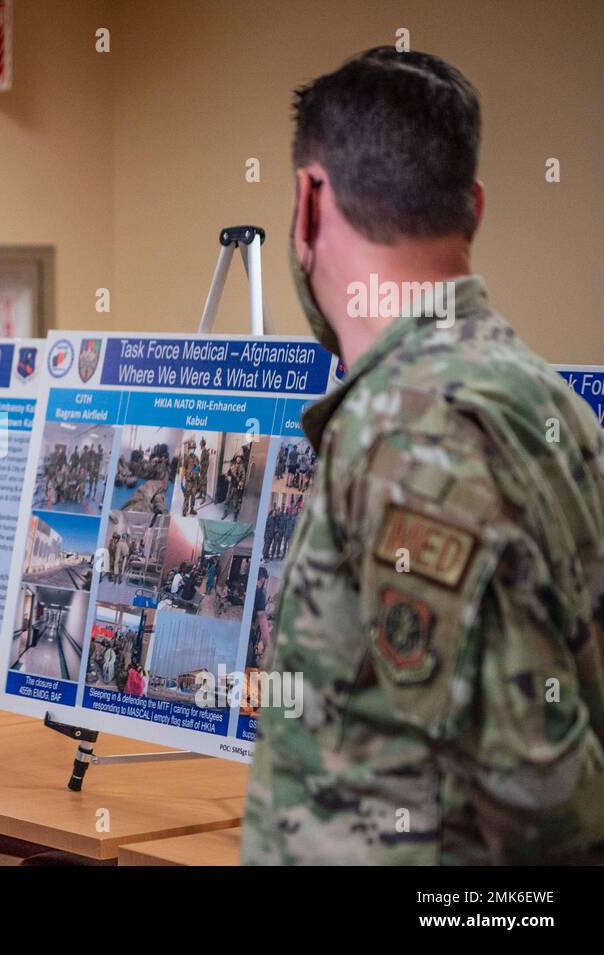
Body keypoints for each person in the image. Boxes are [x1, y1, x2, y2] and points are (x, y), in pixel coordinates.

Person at [243, 48, 604, 865]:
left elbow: (539, 791)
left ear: (306, 201)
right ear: (472, 207)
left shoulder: (402, 433)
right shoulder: (551, 402)